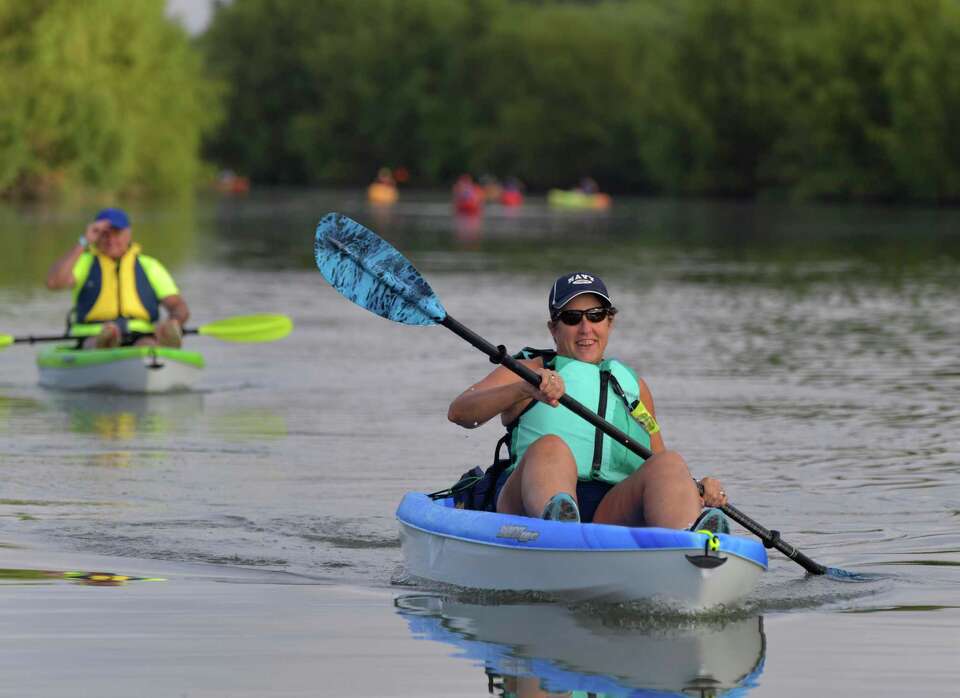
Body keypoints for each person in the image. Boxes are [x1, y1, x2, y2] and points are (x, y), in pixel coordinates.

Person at [447, 272, 728, 530]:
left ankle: (691, 537)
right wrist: (523, 389)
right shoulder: (530, 370)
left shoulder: (634, 387)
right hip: (525, 503)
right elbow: (460, 413)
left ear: (609, 321)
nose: (585, 328)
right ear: (553, 328)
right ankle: (558, 524)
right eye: (572, 318)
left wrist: (696, 490)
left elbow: (655, 462)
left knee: (669, 463)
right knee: (551, 446)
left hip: (610, 508)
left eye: (595, 315)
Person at [45, 207, 189, 349]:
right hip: (93, 336)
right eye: (104, 234)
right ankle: (107, 342)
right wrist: (83, 242)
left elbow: (178, 306)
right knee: (95, 342)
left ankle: (154, 353)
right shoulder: (83, 263)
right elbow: (53, 282)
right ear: (94, 236)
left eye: (117, 233)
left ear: (128, 234)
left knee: (148, 346)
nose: (111, 240)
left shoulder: (150, 266)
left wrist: (174, 322)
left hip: (141, 335)